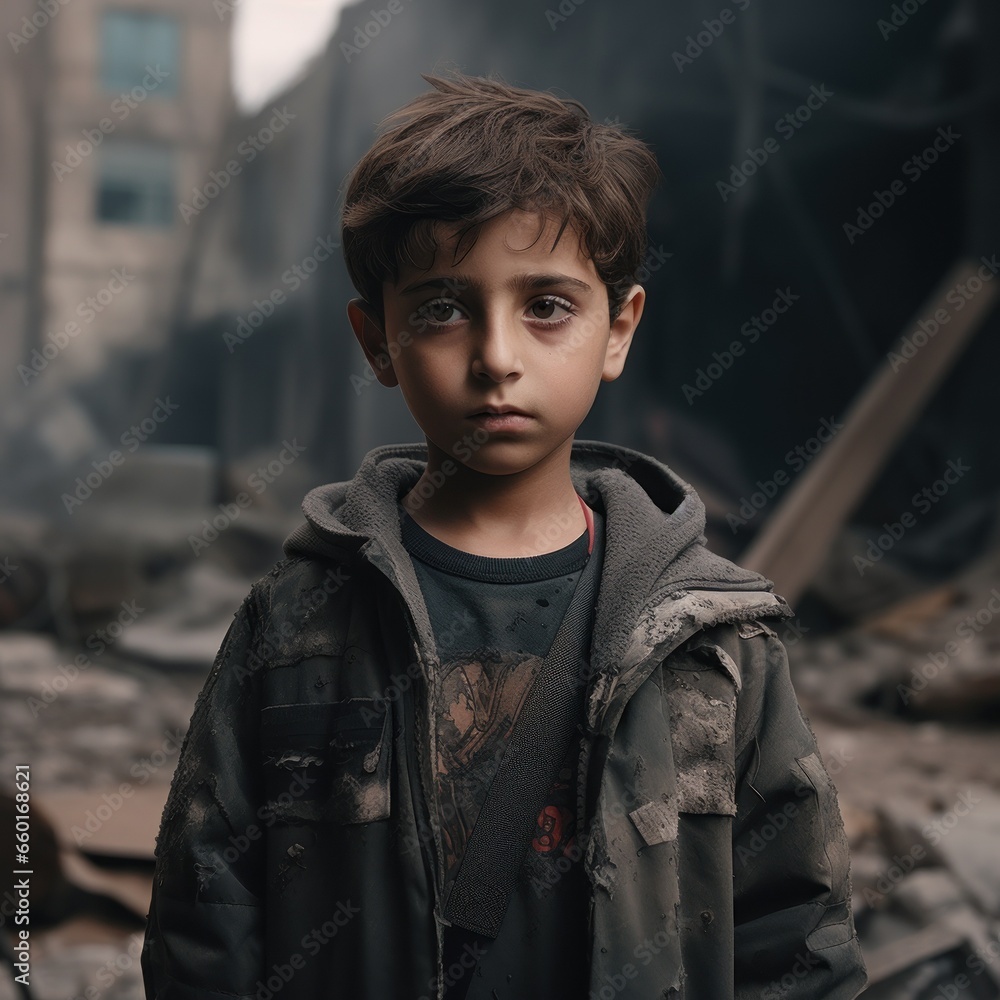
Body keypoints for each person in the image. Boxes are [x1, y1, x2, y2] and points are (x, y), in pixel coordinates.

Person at [141, 71, 868, 1000]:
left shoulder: (713, 645)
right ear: (376, 340)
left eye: (547, 306)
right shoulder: (297, 627)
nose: (496, 356)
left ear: (619, 329)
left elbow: (797, 937)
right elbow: (205, 923)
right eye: (442, 309)